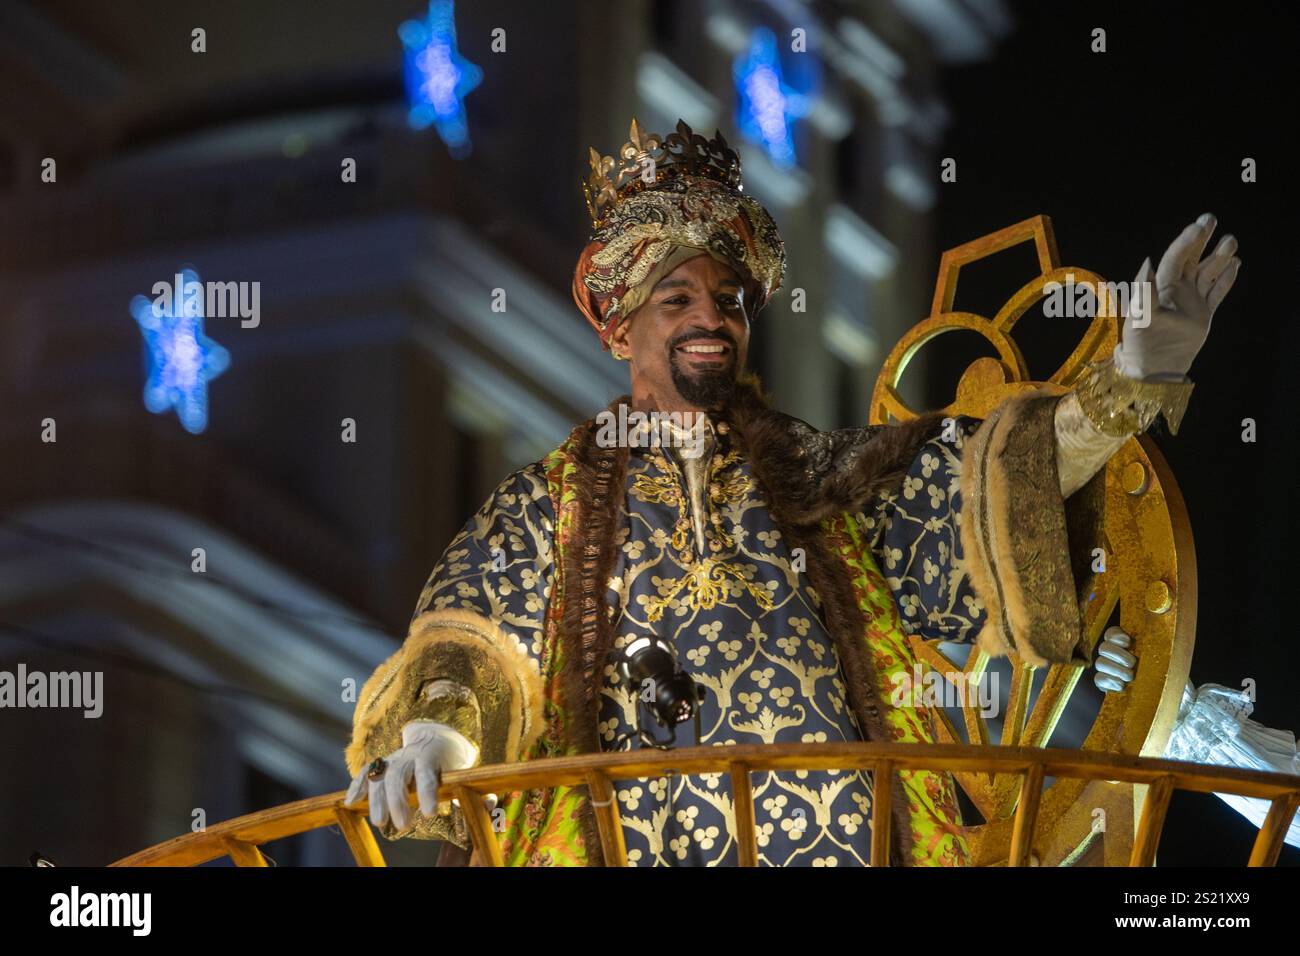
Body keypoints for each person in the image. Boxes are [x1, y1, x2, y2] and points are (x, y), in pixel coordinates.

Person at [344, 119, 1240, 866]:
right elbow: (471, 639)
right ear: (621, 327)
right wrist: (436, 741)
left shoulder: (819, 477)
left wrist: (1127, 381)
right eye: (677, 296)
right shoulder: (544, 508)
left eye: (730, 297)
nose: (711, 316)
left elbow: (977, 488)